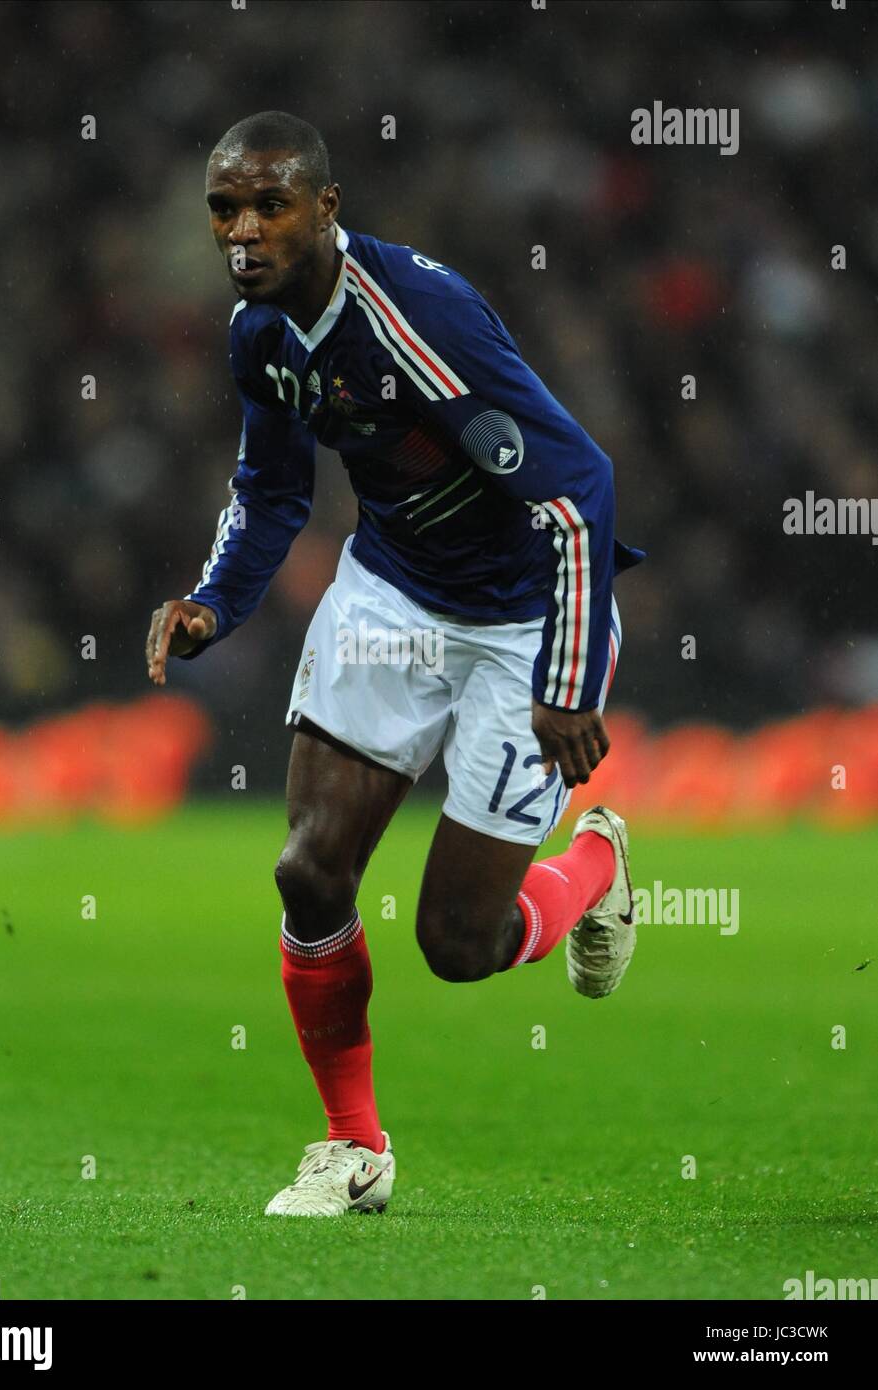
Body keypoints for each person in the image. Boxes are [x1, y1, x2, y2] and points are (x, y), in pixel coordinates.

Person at [146, 111, 644, 1217]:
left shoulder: (417, 319)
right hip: (390, 595)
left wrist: (563, 684)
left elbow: (578, 492)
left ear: (326, 208)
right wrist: (213, 602)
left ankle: (595, 868)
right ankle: (351, 1146)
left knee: (457, 945)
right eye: (224, 208)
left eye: (270, 205)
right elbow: (273, 491)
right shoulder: (260, 331)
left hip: (523, 617)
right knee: (306, 870)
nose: (242, 230)